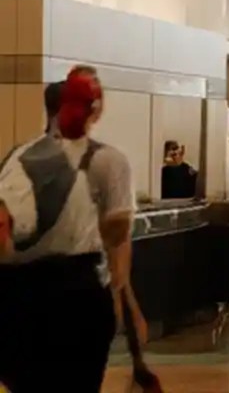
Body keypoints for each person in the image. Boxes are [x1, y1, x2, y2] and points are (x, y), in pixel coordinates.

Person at [0, 71, 144, 392]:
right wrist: (126, 302)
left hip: (13, 295)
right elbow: (117, 238)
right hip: (75, 293)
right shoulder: (107, 160)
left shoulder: (15, 157)